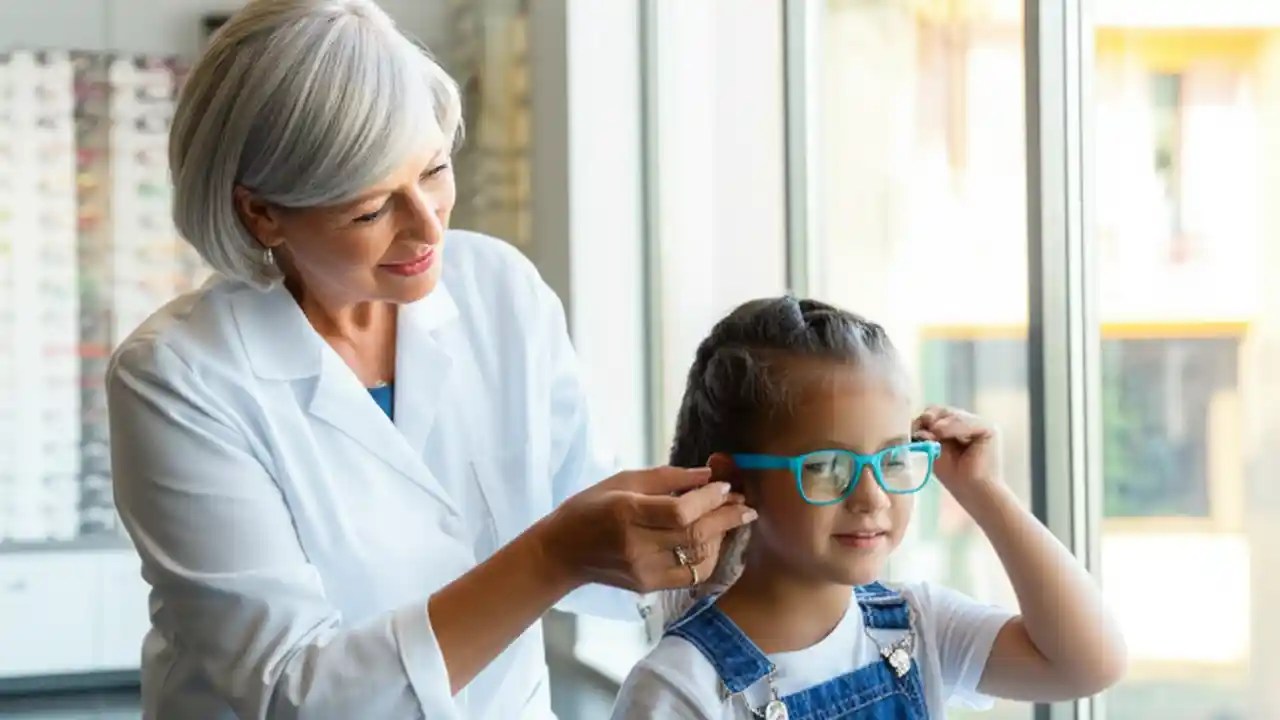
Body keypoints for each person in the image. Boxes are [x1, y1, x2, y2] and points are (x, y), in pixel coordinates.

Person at [105, 1, 755, 718]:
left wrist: (722, 516)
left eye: (435, 170)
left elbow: (591, 530)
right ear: (261, 213)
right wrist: (551, 556)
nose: (427, 224)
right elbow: (294, 695)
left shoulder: (498, 289)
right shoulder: (178, 377)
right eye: (371, 208)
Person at [611, 297, 1128, 719]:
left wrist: (983, 491)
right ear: (733, 480)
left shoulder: (916, 624)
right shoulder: (679, 688)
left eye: (893, 458)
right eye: (827, 466)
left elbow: (1087, 663)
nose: (872, 496)